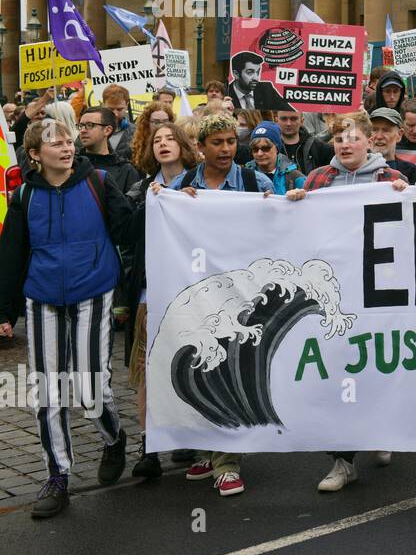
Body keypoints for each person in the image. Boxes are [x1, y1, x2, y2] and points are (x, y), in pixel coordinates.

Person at [0, 120, 135, 518]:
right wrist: (4, 311)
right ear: (35, 155)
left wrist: (160, 199)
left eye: (67, 141)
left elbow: (128, 228)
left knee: (91, 389)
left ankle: (114, 438)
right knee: (48, 391)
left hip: (93, 291)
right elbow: (11, 254)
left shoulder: (99, 182)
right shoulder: (24, 194)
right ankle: (57, 475)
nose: (65, 148)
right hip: (42, 297)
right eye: (54, 144)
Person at [288, 112, 409, 491]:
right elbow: (297, 227)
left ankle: (381, 427)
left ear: (370, 141)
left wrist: (409, 198)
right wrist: (293, 202)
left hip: (378, 289)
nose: (345, 144)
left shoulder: (388, 179)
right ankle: (342, 461)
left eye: (353, 137)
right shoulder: (319, 179)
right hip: (334, 290)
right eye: (339, 138)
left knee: (374, 363)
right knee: (337, 369)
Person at [168, 113, 275, 498]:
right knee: (203, 366)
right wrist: (173, 202)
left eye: (232, 141)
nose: (227, 149)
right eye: (218, 143)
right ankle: (211, 450)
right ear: (201, 147)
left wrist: (278, 204)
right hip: (198, 290)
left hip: (241, 293)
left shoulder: (253, 181)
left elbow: (277, 222)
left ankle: (229, 461)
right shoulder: (183, 183)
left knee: (231, 370)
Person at [124, 122, 200, 477]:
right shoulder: (143, 188)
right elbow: (128, 234)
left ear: (183, 145)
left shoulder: (200, 183)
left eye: (170, 138)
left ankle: (190, 435)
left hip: (190, 294)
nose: (164, 144)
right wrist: (149, 203)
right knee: (147, 373)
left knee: (190, 367)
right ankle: (149, 444)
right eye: (157, 140)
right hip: (149, 292)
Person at [77, 105, 142, 194]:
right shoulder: (71, 165)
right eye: (81, 125)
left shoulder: (126, 171)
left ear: (107, 130)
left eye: (89, 125)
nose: (83, 130)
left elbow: (130, 206)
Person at [369, 107, 416, 185]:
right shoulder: (354, 169)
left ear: (399, 135)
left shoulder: (413, 172)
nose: (379, 136)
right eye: (374, 130)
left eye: (386, 130)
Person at [244, 121, 306, 195]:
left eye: (266, 148)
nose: (259, 153)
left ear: (277, 148)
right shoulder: (244, 175)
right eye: (255, 149)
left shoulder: (295, 177)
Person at [227, 51, 293, 112]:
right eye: (250, 72)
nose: (256, 78)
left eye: (258, 72)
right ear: (236, 74)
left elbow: (290, 113)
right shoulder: (225, 93)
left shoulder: (266, 89)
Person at [275, 108, 333, 173]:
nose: (289, 123)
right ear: (276, 120)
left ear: (302, 121)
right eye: (284, 119)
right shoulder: (269, 148)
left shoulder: (321, 149)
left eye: (294, 119)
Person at [128, 101, 176, 170]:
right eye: (156, 122)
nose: (161, 125)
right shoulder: (136, 148)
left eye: (165, 121)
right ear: (147, 123)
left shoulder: (177, 144)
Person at [97, 85, 137, 161]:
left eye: (119, 109)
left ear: (127, 105)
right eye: (111, 109)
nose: (115, 114)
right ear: (103, 104)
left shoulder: (136, 132)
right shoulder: (91, 129)